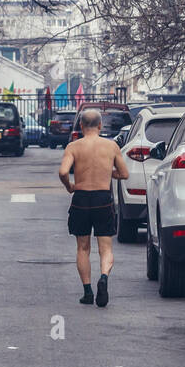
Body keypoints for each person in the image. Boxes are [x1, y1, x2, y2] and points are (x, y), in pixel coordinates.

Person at [58, 108, 129, 307]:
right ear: (100, 125)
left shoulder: (73, 146)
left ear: (81, 126)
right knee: (105, 248)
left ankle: (87, 292)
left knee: (83, 247)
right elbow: (124, 174)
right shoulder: (111, 146)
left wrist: (69, 186)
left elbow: (63, 171)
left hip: (81, 198)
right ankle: (104, 277)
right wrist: (108, 173)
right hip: (103, 199)